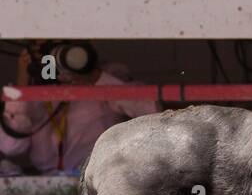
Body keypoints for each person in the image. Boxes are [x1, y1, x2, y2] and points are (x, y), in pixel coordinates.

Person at [0, 42, 157, 176]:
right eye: (46, 48)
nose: (54, 56)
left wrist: (95, 79)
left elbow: (151, 111)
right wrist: (23, 82)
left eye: (63, 45)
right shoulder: (33, 82)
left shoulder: (111, 72)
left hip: (99, 179)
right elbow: (11, 147)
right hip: (46, 183)